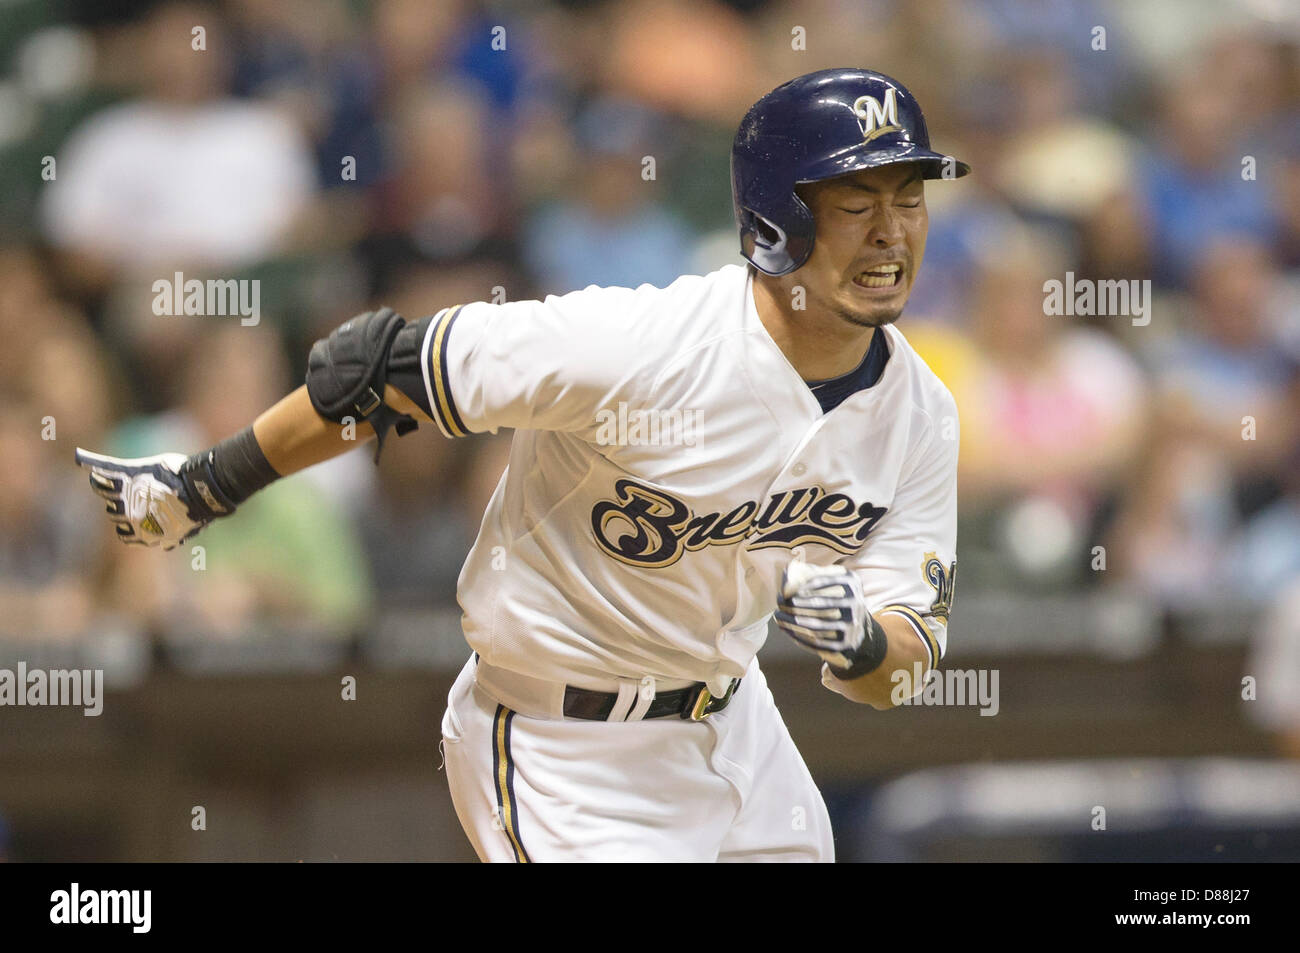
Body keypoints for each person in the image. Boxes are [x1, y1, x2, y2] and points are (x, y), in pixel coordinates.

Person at [75, 69, 964, 862]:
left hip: (738, 726)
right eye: (857, 203)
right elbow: (378, 369)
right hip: (565, 744)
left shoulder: (920, 415)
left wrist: (863, 643)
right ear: (779, 218)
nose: (892, 233)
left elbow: (909, 658)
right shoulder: (640, 344)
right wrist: (205, 484)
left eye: (909, 199)